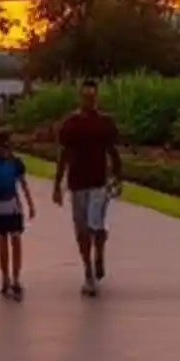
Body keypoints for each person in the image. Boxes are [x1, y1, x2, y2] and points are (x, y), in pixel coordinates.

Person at [52, 79, 122, 297]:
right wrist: (57, 184)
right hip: (77, 183)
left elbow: (113, 152)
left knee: (95, 225)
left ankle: (99, 252)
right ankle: (88, 270)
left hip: (98, 183)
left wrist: (118, 177)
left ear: (97, 98)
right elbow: (63, 155)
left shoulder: (105, 123)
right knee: (82, 231)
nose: (89, 101)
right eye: (86, 97)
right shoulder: (71, 124)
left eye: (92, 97)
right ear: (81, 97)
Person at [0, 130, 36, 301]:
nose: (5, 150)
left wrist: (30, 203)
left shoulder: (16, 163)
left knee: (16, 239)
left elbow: (23, 183)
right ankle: (6, 277)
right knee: (3, 241)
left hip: (12, 205)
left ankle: (16, 278)